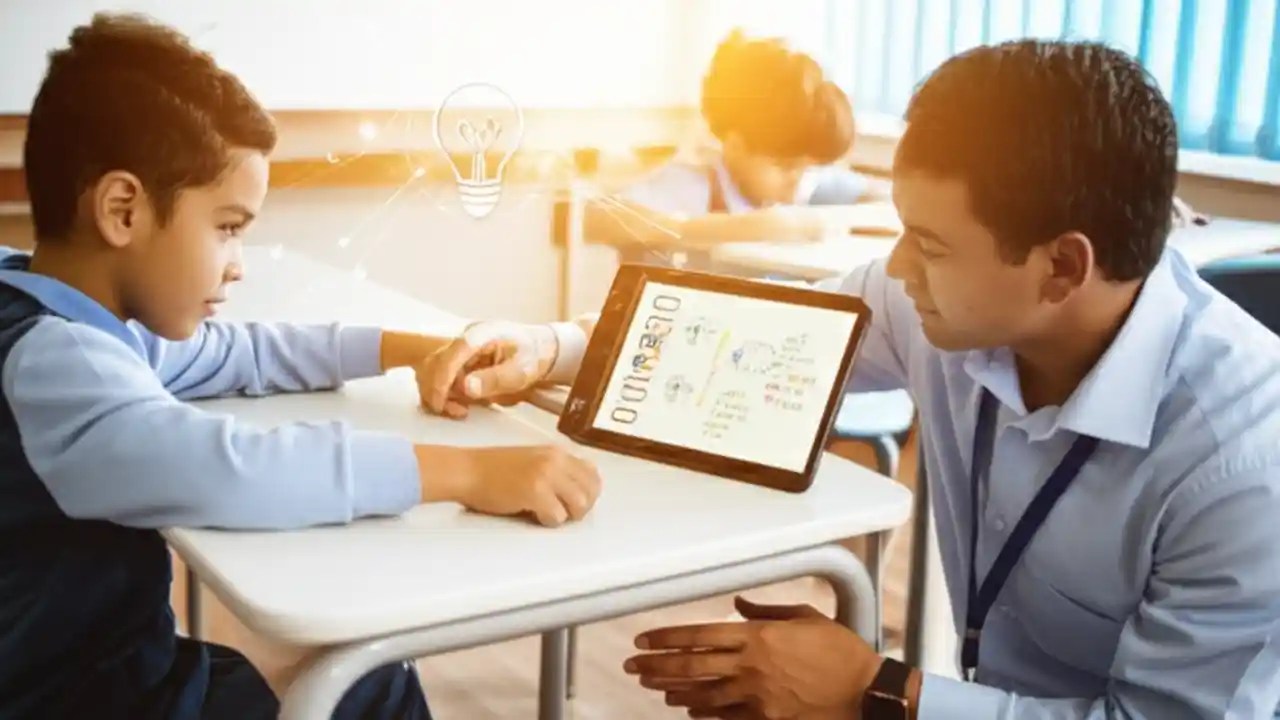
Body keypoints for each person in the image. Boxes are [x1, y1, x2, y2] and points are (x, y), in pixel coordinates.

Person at [418, 39, 1280, 718]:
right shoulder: (936, 308)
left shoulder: (1244, 466)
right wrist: (550, 347)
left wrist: (879, 692)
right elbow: (748, 331)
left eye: (931, 246)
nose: (896, 267)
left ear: (1061, 267)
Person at [0, 13, 601, 719]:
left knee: (345, 677)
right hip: (82, 696)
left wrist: (407, 350)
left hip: (96, 672)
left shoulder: (45, 307)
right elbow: (222, 467)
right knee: (366, 684)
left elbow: (240, 353)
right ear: (123, 210)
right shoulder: (58, 363)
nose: (237, 264)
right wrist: (466, 473)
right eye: (227, 228)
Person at [586, 29, 890, 270]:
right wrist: (747, 227)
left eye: (809, 168)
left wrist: (822, 221)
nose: (798, 181)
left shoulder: (809, 186)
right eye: (785, 167)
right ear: (735, 144)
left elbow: (891, 208)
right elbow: (601, 217)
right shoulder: (694, 183)